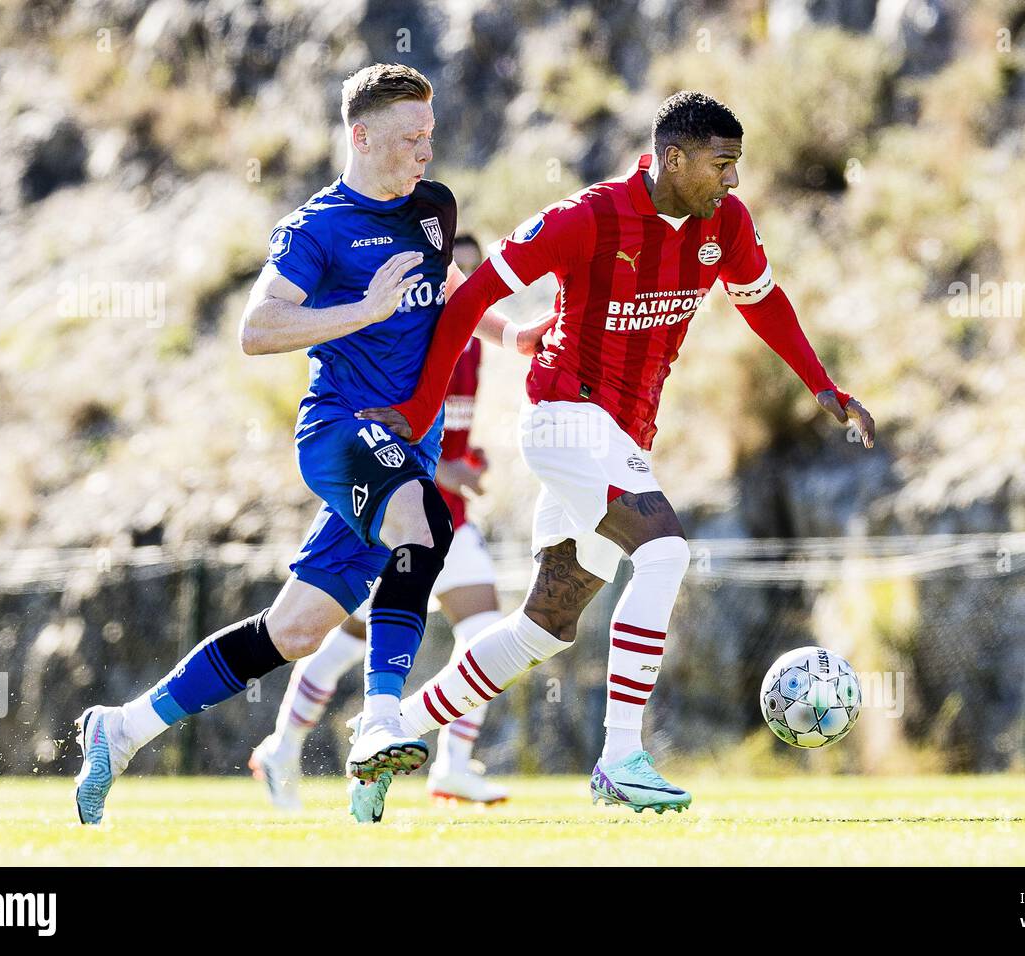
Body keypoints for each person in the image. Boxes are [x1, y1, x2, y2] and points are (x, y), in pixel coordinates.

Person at [356, 91, 877, 814]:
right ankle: (621, 758)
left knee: (546, 625)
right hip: (565, 419)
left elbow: (761, 299)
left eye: (738, 166)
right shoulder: (587, 218)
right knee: (665, 551)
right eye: (722, 165)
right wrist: (417, 412)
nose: (732, 181)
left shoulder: (725, 223)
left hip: (619, 438)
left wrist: (822, 384)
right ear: (673, 158)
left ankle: (390, 735)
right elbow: (471, 298)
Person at [72, 65, 547, 825]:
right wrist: (362, 309)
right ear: (360, 137)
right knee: (426, 526)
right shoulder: (316, 228)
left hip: (405, 450)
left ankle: (123, 728)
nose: (426, 152)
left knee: (293, 632)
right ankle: (383, 720)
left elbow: (449, 292)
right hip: (339, 432)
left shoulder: (434, 207)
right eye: (409, 139)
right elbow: (256, 330)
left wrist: (513, 332)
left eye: (431, 136)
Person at [249, 235, 512, 811]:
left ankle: (452, 764)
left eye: (469, 279)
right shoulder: (407, 335)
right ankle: (286, 746)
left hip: (450, 519)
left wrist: (466, 462)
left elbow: (445, 426)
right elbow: (385, 427)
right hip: (395, 511)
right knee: (340, 637)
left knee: (486, 631)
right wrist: (446, 470)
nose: (457, 290)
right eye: (448, 277)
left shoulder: (474, 345)